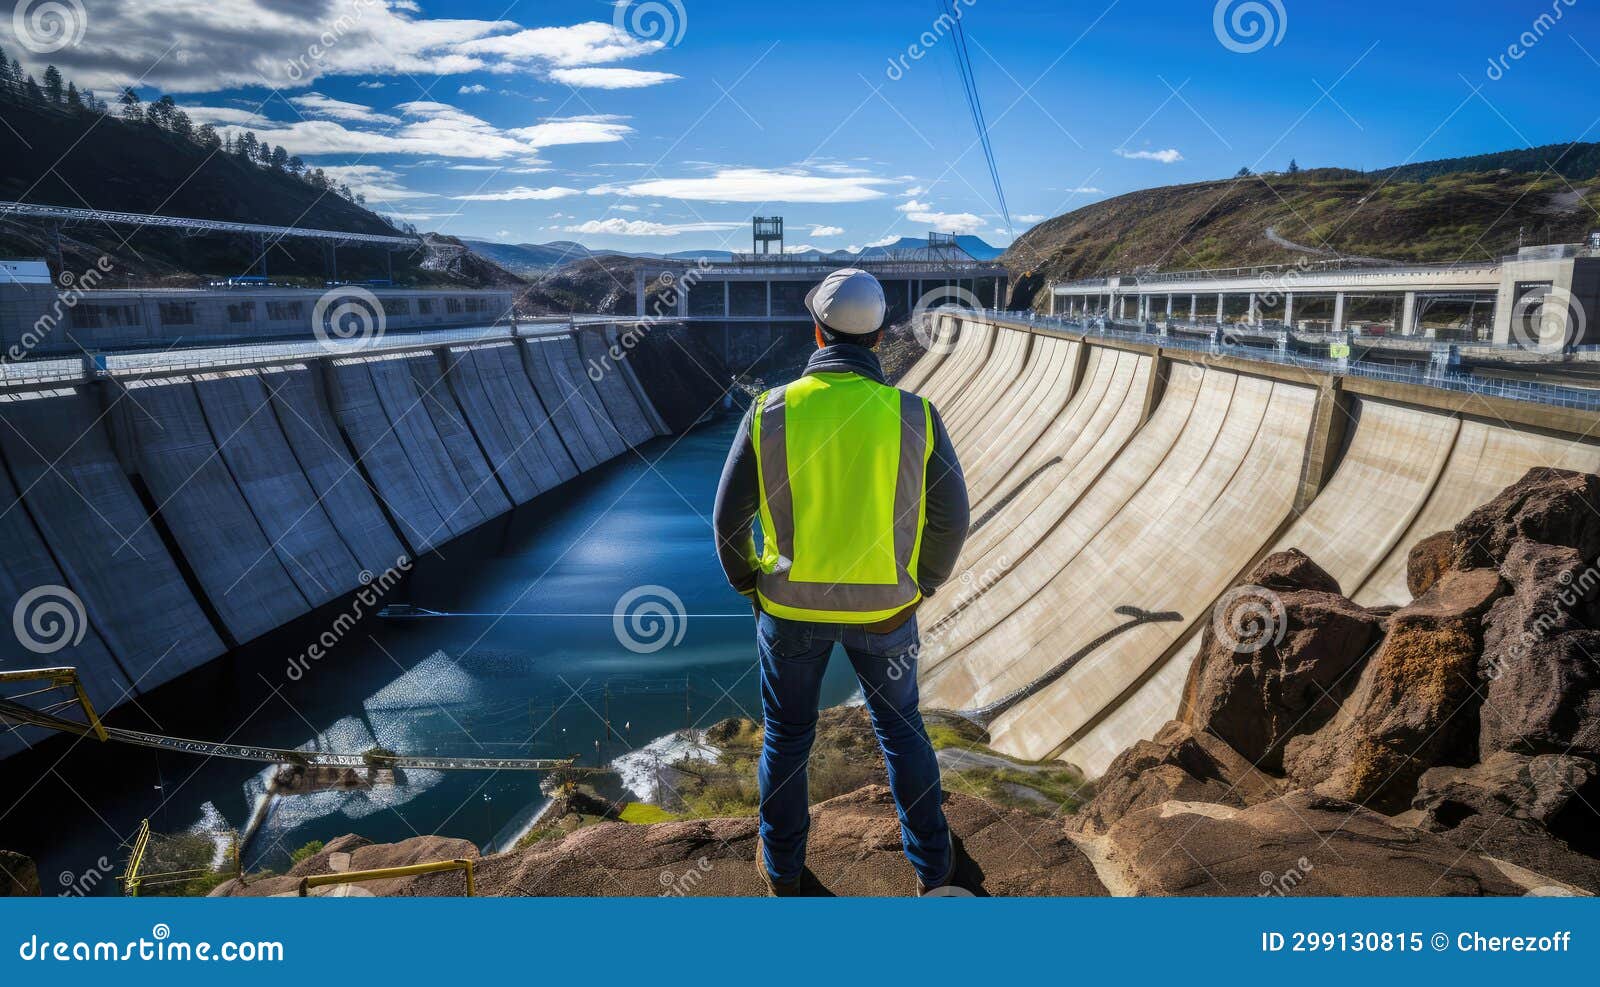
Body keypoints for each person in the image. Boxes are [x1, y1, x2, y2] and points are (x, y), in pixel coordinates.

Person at [712, 268, 972, 896]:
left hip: (789, 609)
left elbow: (728, 520)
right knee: (902, 731)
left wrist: (751, 583)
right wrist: (926, 582)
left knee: (787, 735)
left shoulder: (770, 409)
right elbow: (952, 517)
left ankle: (780, 868)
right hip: (887, 612)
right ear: (880, 337)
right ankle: (933, 869)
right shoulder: (915, 414)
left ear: (817, 331)